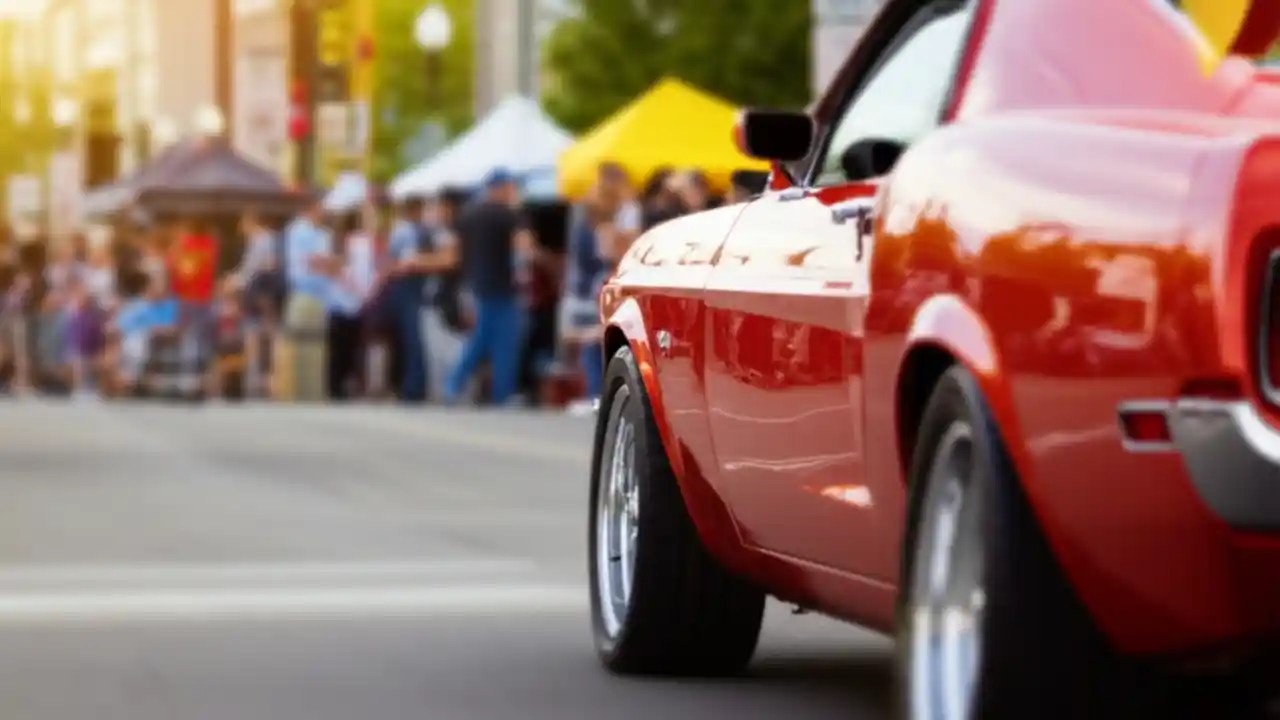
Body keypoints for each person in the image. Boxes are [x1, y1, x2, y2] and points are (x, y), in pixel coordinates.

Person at [445, 169, 532, 406]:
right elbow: (524, 246)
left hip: (475, 284)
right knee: (505, 341)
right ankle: (501, 392)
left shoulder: (467, 215)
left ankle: (453, 385)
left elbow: (455, 253)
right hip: (502, 285)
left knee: (481, 337)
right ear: (501, 188)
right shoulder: (508, 215)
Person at [562, 163, 642, 406]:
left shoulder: (585, 212)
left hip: (586, 286)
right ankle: (597, 393)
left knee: (592, 342)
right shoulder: (608, 215)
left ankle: (595, 393)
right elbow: (609, 253)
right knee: (596, 342)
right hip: (600, 285)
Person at [384, 196, 456, 402]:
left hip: (427, 295)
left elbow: (446, 259)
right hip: (415, 292)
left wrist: (415, 261)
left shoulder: (435, 232)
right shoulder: (409, 232)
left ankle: (417, 388)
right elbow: (397, 263)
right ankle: (414, 389)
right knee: (415, 341)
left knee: (419, 342)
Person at [282, 198, 334, 402]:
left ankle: (312, 393)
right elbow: (313, 260)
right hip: (303, 292)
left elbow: (325, 262)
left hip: (319, 294)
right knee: (300, 346)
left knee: (316, 346)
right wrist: (330, 262)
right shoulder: (299, 230)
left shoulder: (321, 233)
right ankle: (297, 392)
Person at [168, 219, 219, 401]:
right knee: (203, 341)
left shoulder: (183, 246)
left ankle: (188, 383)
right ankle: (203, 383)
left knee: (189, 339)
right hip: (204, 298)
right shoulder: (210, 245)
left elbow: (179, 271)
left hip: (187, 298)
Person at [237, 211, 281, 398]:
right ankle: (261, 382)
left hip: (262, 291)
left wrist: (236, 281)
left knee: (260, 337)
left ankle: (262, 383)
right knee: (263, 338)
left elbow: (254, 269)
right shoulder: (264, 240)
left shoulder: (263, 240)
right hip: (262, 292)